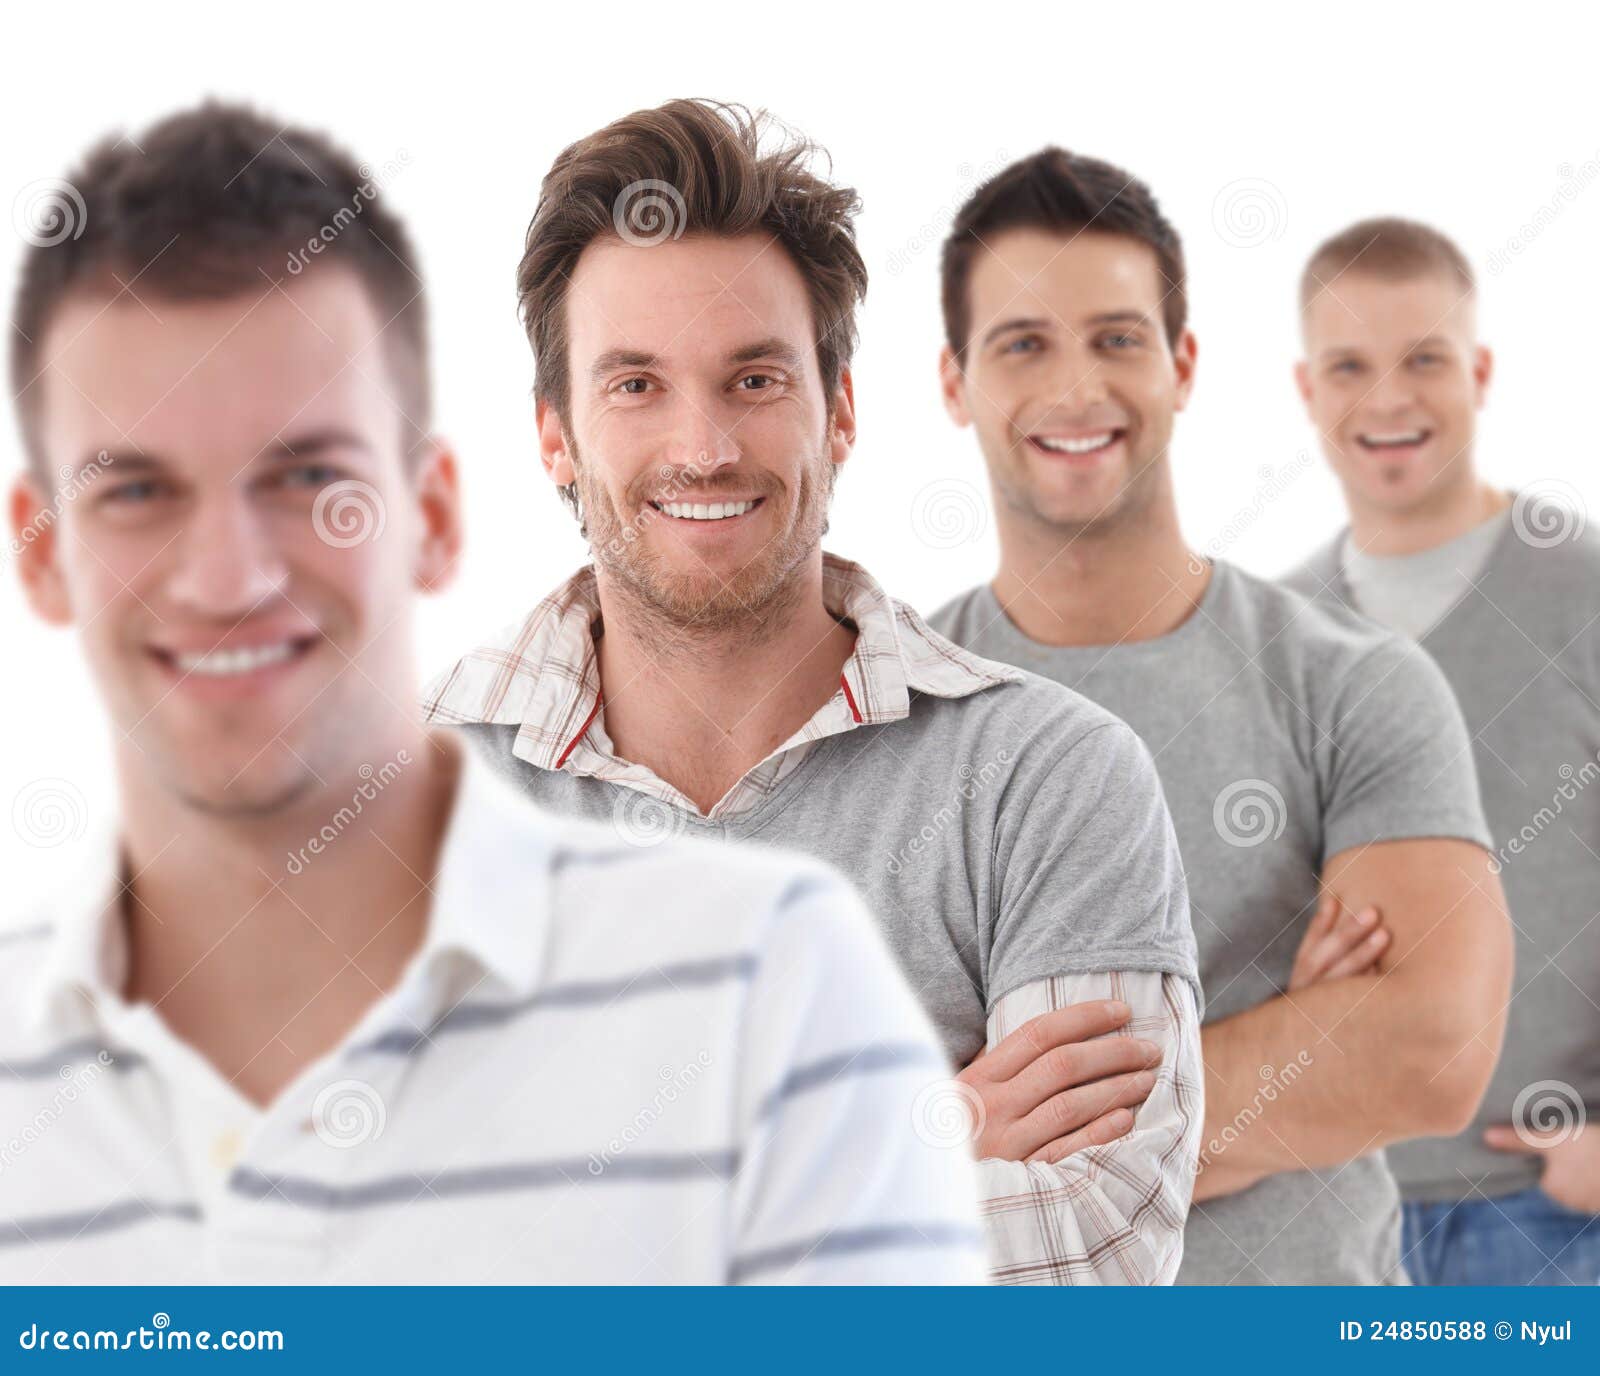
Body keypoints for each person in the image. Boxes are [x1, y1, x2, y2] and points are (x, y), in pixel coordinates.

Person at [0, 101, 987, 1285]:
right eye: (134, 491)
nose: (228, 577)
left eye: (308, 477)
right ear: (39, 548)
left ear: (431, 513)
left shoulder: (774, 983)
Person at [424, 99, 1204, 1284]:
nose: (702, 447)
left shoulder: (1047, 777)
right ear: (555, 436)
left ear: (838, 412)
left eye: (753, 378)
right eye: (635, 384)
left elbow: (1093, 1256)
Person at [928, 150, 1512, 1284]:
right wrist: (1298, 1040)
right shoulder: (888, 710)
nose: (1076, 388)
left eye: (1116, 338)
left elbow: (1431, 1050)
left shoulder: (1353, 682)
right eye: (1023, 344)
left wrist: (1015, 1123)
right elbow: (852, 1128)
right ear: (954, 382)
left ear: (1181, 364)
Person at [1285, 216, 1600, 1285]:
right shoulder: (1273, 632)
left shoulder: (1580, 591)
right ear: (1305, 389)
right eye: (1349, 366)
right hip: (1331, 1212)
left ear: (1480, 372)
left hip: (1553, 1212)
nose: (1387, 399)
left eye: (1424, 359)